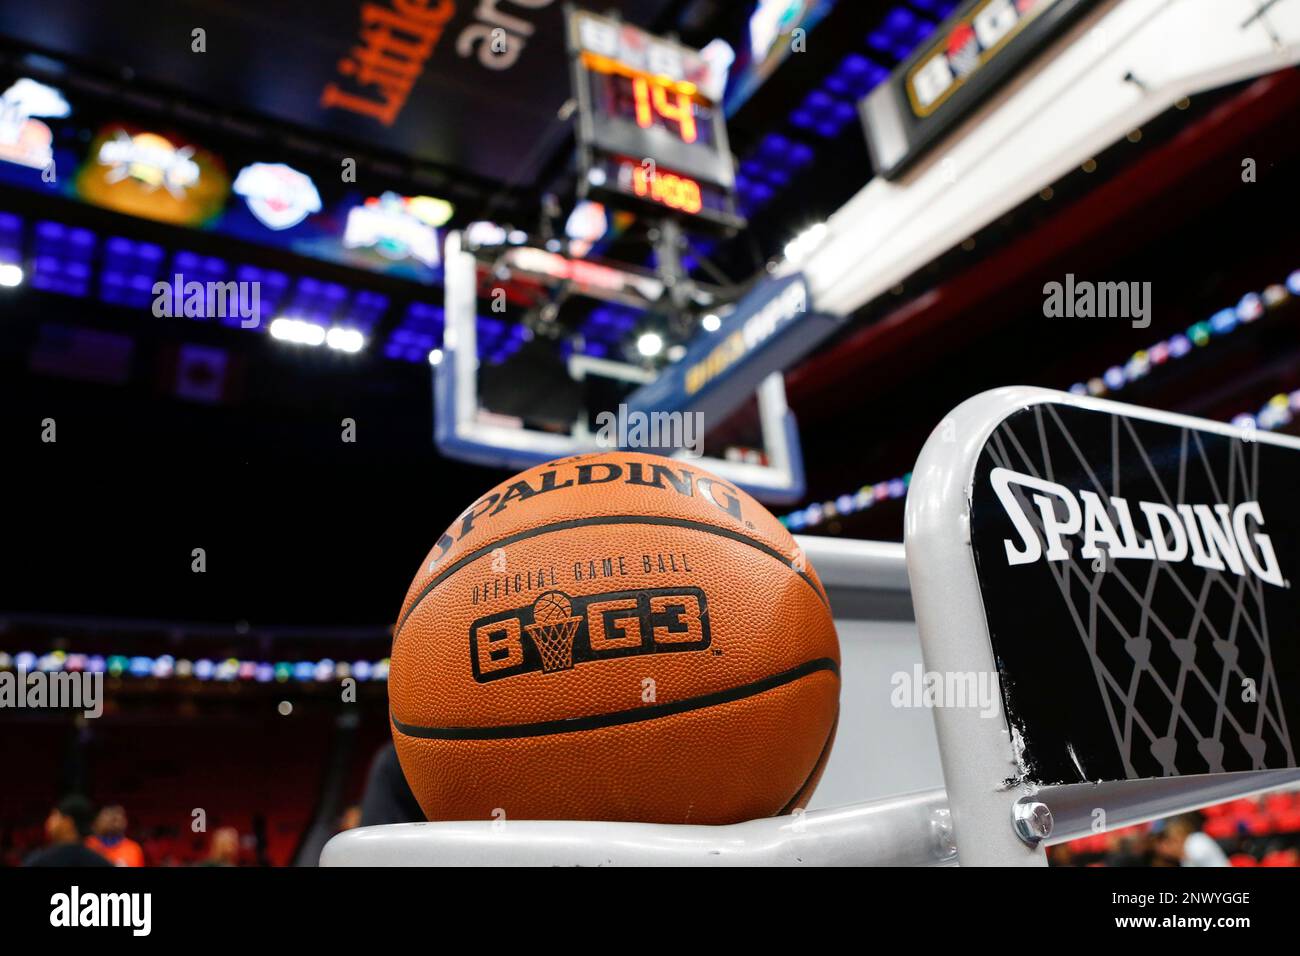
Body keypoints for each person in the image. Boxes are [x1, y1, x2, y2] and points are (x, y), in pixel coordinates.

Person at [23, 795, 113, 867]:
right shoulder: (101, 861)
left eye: (55, 815)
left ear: (67, 822)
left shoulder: (40, 861)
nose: (49, 821)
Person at [1154, 813, 1230, 867]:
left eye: (1165, 845)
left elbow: (1198, 856)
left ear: (1174, 839)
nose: (1165, 852)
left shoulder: (1196, 839)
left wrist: (1181, 854)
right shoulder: (1183, 860)